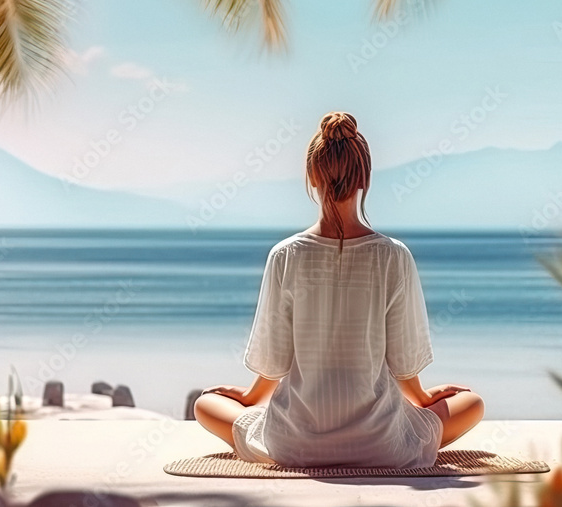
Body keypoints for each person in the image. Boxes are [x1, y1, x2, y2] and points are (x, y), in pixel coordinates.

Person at [194, 111, 484, 468]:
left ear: (312, 176)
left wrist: (250, 396)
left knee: (204, 404)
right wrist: (423, 398)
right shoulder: (393, 256)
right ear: (365, 177)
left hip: (294, 446)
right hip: (383, 446)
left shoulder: (285, 255)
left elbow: (274, 361)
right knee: (472, 404)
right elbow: (404, 363)